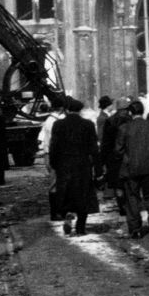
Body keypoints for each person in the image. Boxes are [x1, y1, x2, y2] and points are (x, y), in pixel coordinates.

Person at [47, 95, 100, 236]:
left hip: (64, 165)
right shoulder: (88, 125)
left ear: (67, 110)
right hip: (82, 165)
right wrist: (97, 167)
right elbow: (94, 149)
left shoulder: (58, 125)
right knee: (83, 195)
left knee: (66, 193)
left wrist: (54, 163)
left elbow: (54, 147)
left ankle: (68, 214)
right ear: (80, 110)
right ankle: (81, 228)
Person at [116, 98, 149, 239]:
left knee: (132, 198)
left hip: (130, 168)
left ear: (131, 113)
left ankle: (135, 228)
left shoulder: (124, 128)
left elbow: (118, 150)